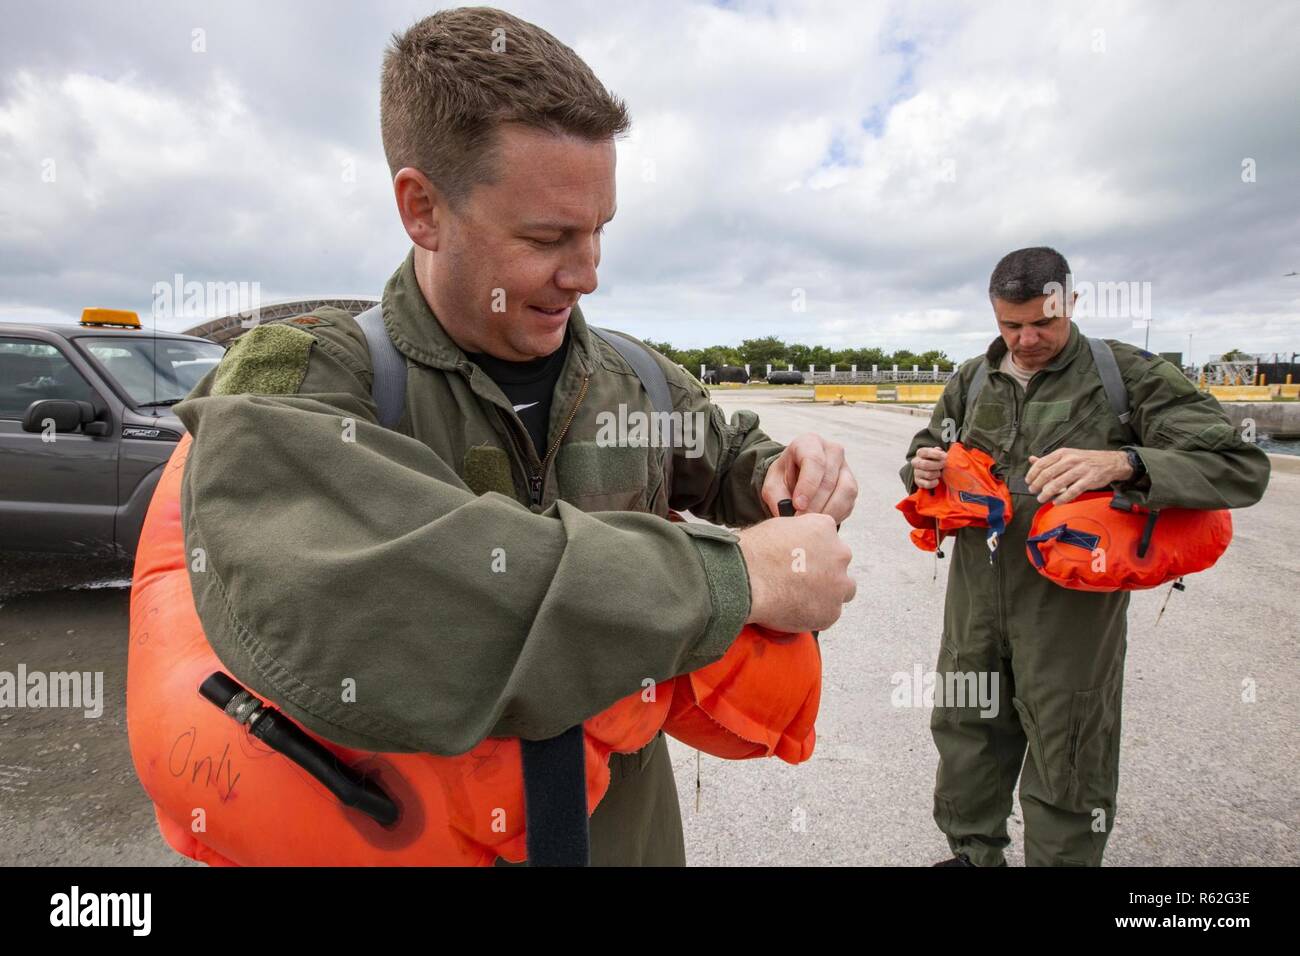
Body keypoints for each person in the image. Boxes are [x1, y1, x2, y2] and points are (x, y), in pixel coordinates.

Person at [173, 6, 857, 866]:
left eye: (601, 228)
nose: (588, 273)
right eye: (547, 238)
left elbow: (726, 457)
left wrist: (781, 475)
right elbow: (365, 598)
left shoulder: (638, 378)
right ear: (422, 209)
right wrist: (734, 580)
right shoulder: (305, 381)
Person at [901, 246, 1270, 866]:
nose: (1025, 339)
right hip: (975, 594)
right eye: (1009, 325)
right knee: (966, 726)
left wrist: (1125, 461)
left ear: (1070, 302)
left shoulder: (1125, 376)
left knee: (1068, 742)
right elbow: (923, 455)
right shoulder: (970, 380)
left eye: (1041, 323)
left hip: (1070, 606)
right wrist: (922, 468)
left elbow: (1239, 466)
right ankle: (971, 853)